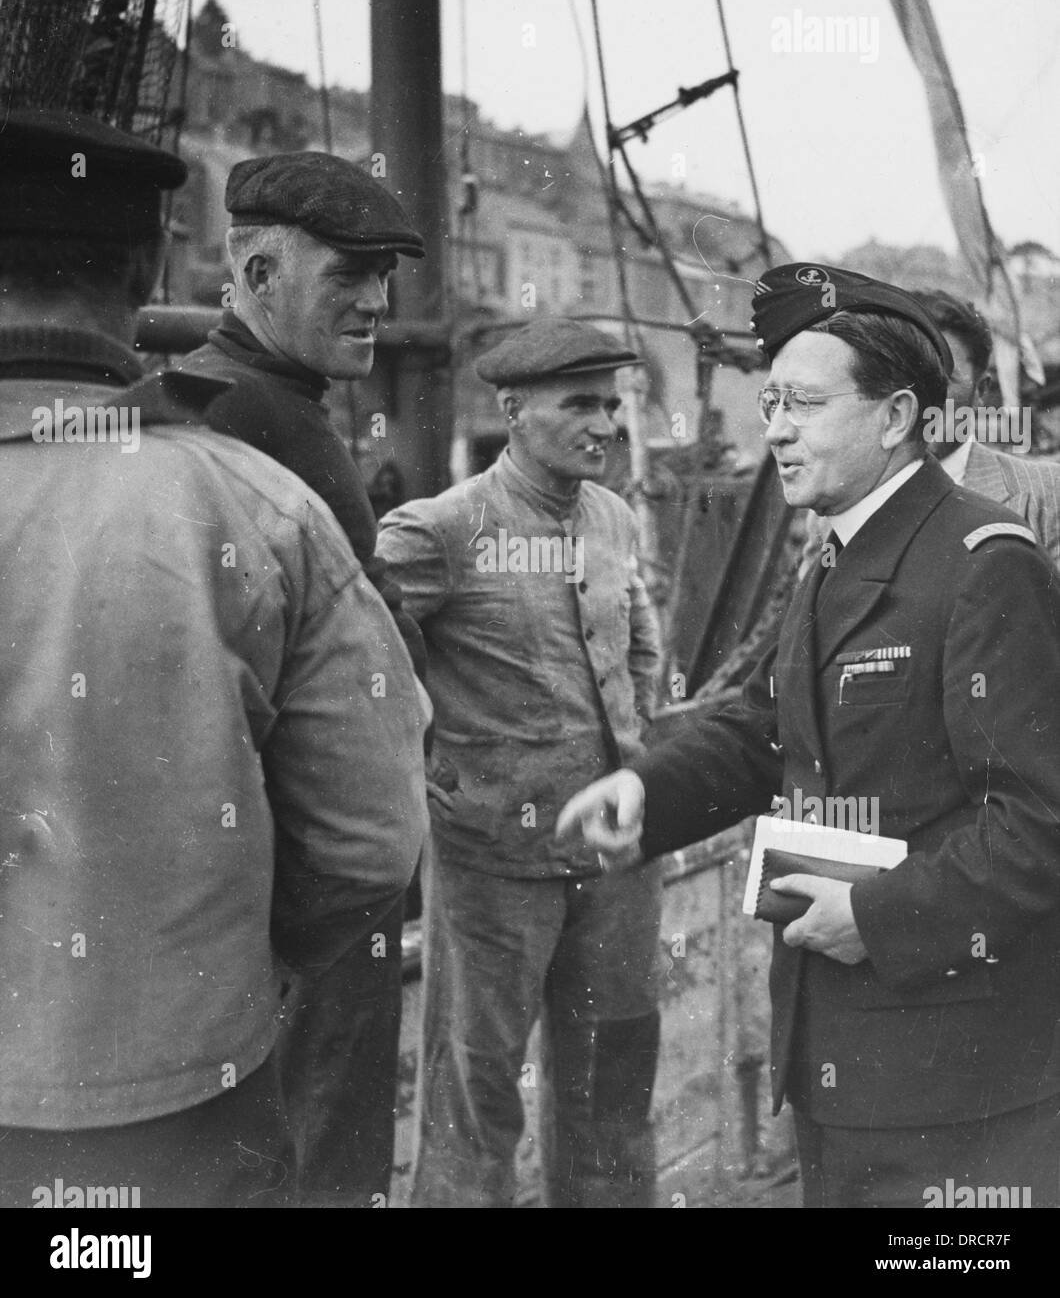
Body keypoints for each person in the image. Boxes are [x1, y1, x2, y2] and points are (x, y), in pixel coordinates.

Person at [559, 264, 1060, 1208]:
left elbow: (1039, 826)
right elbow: (766, 727)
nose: (775, 428)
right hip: (843, 1054)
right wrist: (648, 791)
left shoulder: (983, 565)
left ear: (895, 416)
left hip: (959, 1077)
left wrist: (876, 916)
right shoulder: (835, 553)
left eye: (803, 403)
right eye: (769, 400)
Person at [0, 110, 428, 1208]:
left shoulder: (251, 428)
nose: (378, 304)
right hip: (180, 1080)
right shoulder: (244, 479)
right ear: (155, 268)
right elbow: (371, 839)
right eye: (356, 274)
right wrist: (238, 959)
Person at [179, 151, 428, 1206]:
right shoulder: (260, 418)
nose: (375, 299)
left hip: (261, 887)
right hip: (305, 892)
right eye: (348, 275)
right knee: (324, 1152)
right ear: (263, 274)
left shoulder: (243, 398)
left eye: (385, 273)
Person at [378, 318, 664, 1208]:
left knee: (610, 1094)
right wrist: (435, 765)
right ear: (512, 410)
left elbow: (642, 649)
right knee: (476, 1101)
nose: (606, 424)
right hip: (493, 871)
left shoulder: (612, 517)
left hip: (615, 863)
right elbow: (355, 656)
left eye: (611, 405)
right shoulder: (440, 530)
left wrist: (637, 753)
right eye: (581, 404)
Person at [912, 287, 1060, 563]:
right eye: (906, 375)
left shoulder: (1046, 493)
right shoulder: (844, 498)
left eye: (943, 379)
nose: (921, 396)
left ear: (980, 391)